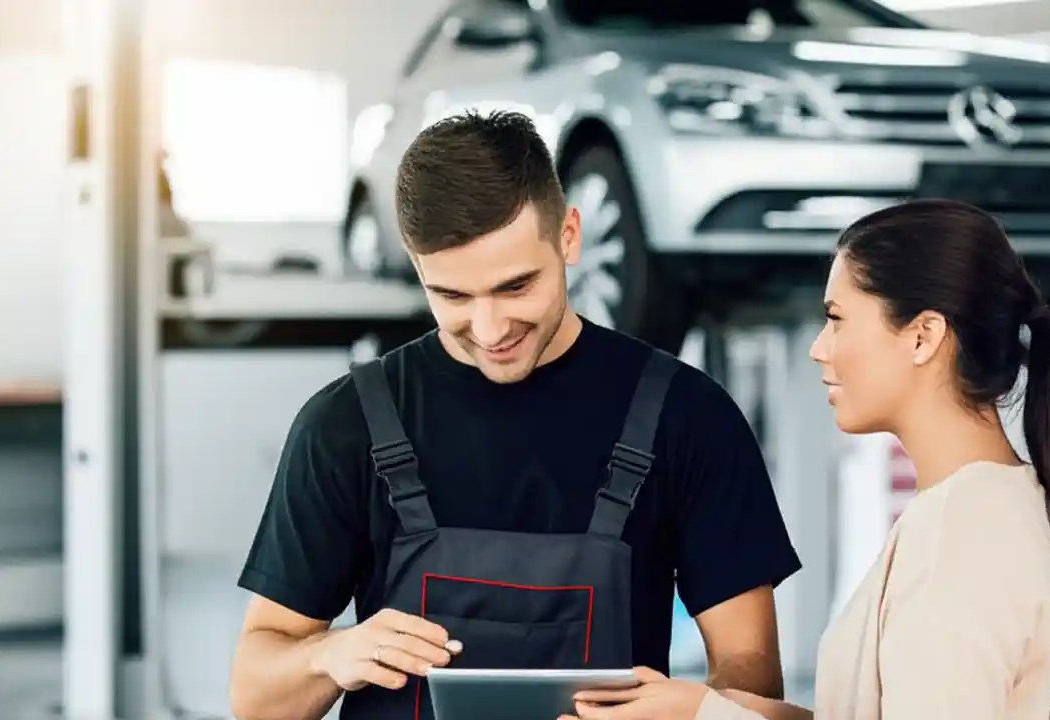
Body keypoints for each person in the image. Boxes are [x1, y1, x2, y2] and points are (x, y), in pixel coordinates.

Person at [227, 111, 802, 720]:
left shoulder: (688, 418)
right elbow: (256, 696)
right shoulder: (345, 426)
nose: (491, 329)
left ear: (570, 236)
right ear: (418, 268)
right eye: (452, 296)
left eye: (515, 286)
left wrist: (687, 713)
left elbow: (753, 689)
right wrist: (331, 654)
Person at [565, 199, 1050, 720]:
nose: (820, 346)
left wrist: (704, 717)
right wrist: (714, 708)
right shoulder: (977, 508)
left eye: (837, 318)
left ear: (923, 337)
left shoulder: (964, 529)